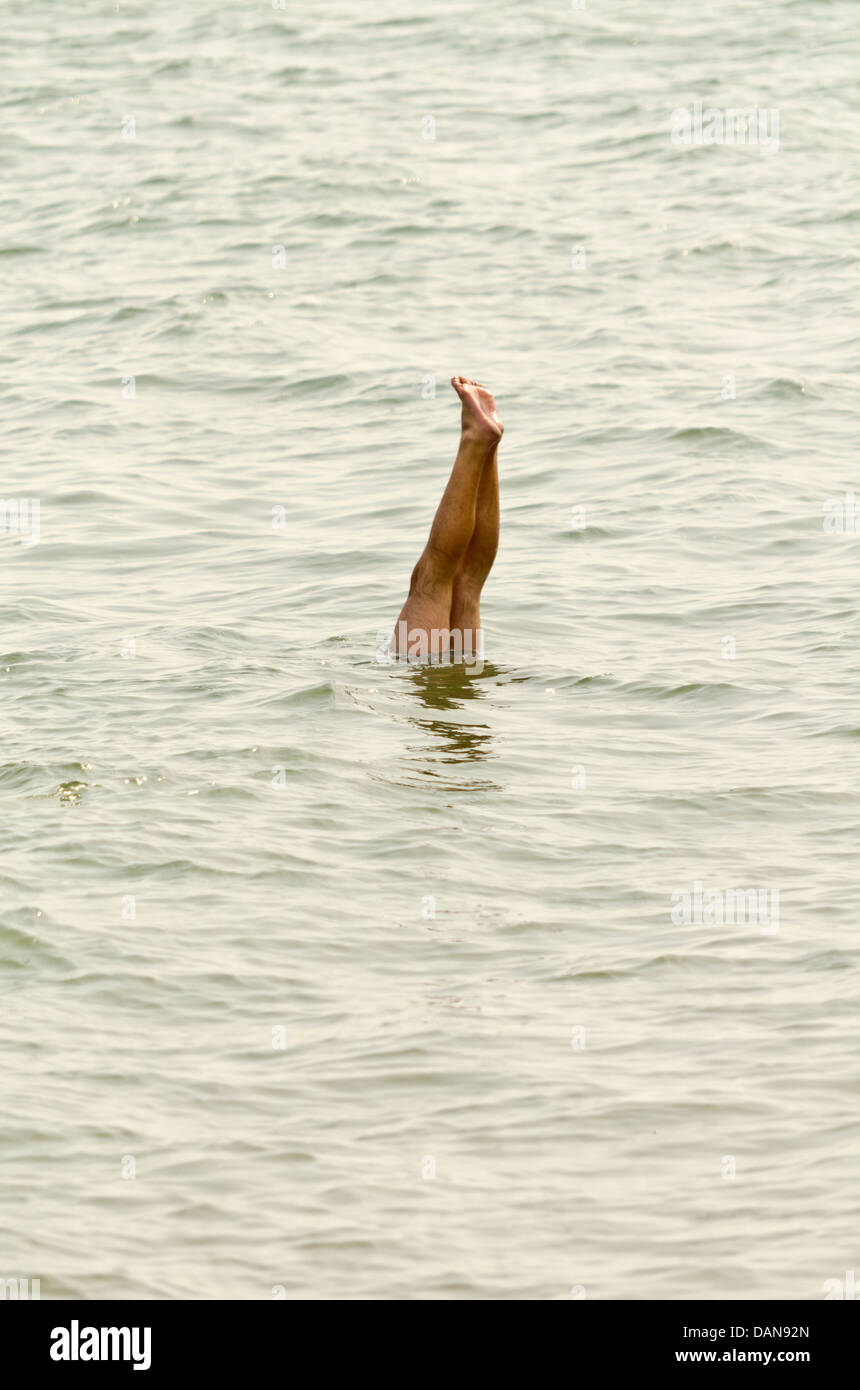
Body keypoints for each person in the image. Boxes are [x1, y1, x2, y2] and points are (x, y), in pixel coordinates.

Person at [392, 377, 502, 661]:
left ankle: (482, 444)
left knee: (460, 582)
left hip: (460, 685)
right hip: (442, 679)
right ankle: (480, 443)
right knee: (452, 581)